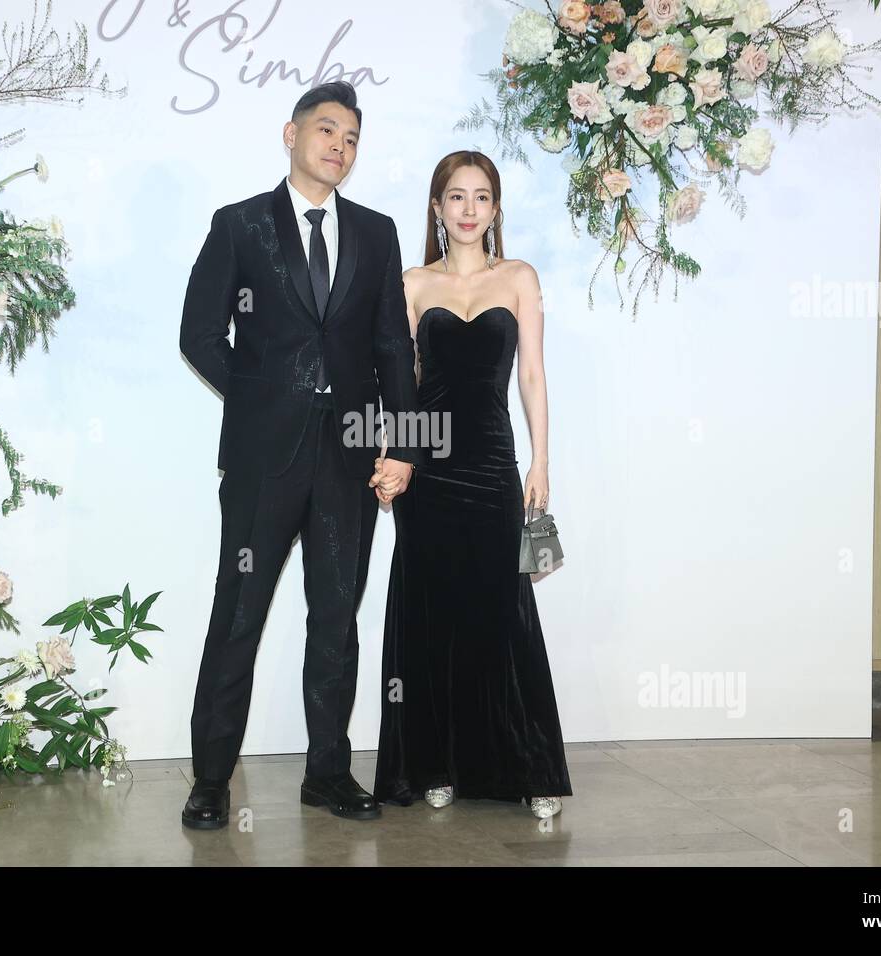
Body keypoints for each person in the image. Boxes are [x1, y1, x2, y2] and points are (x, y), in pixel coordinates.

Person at [178, 81, 422, 829]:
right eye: (326, 131)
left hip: (348, 461)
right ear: (291, 134)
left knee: (336, 618)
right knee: (238, 616)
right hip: (264, 460)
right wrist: (258, 403)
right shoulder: (241, 225)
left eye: (351, 137)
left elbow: (391, 347)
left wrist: (401, 444)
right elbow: (198, 334)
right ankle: (211, 779)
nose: (338, 147)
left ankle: (327, 773)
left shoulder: (378, 233)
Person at [371, 150, 572, 819]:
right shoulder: (411, 284)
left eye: (480, 197)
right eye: (455, 197)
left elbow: (533, 376)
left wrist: (541, 462)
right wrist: (392, 454)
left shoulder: (518, 277)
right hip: (428, 466)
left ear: (495, 209)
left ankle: (531, 769)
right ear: (436, 207)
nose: (467, 209)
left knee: (502, 610)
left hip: (491, 461)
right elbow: (396, 384)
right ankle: (435, 765)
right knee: (432, 615)